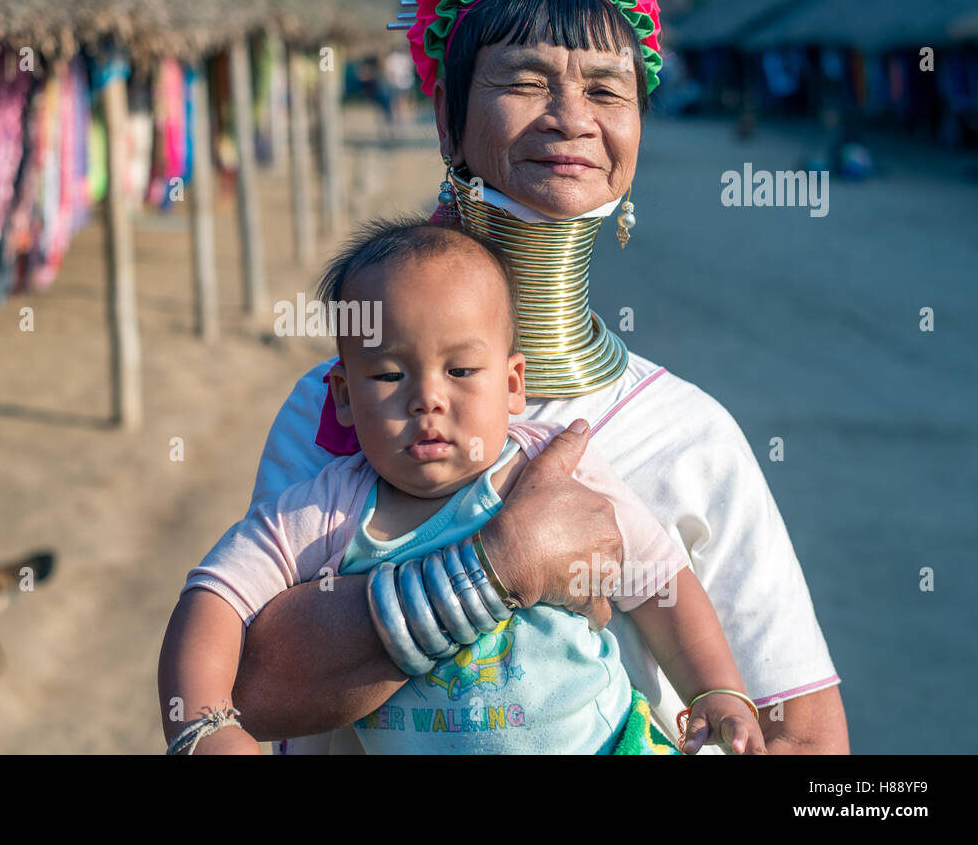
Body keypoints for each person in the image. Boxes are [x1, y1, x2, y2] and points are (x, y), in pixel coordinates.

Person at [167, 0, 847, 755]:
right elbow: (256, 689)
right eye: (526, 80)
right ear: (447, 127)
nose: (571, 117)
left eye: (606, 90)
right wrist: (503, 560)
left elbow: (806, 738)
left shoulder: (692, 433)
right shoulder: (342, 405)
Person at [160, 218, 767, 754]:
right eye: (390, 373)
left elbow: (660, 580)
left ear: (512, 384)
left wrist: (715, 688)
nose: (428, 398)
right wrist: (204, 725)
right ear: (343, 397)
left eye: (461, 370)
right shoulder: (326, 510)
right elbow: (215, 597)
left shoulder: (550, 468)